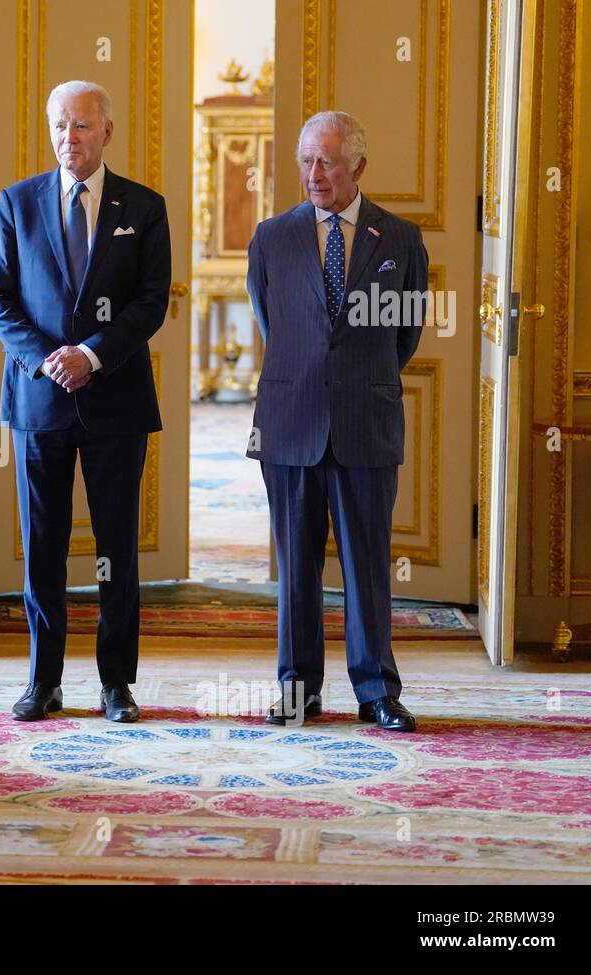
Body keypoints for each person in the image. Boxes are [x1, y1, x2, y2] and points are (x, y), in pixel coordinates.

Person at [0, 80, 170, 723]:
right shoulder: (18, 203)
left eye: (82, 127)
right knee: (43, 548)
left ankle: (117, 683)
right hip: (39, 402)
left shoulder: (143, 207)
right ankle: (44, 681)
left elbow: (150, 302)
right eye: (60, 126)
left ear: (107, 132)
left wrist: (89, 355)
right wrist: (46, 360)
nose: (69, 138)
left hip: (115, 400)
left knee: (115, 546)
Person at [245, 110, 427, 732]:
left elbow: (406, 335)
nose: (314, 174)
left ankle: (377, 690)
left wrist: (353, 379)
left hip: (365, 420)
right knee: (296, 567)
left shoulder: (400, 239)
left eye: (327, 161)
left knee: (367, 565)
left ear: (359, 167)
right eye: (305, 161)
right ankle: (297, 690)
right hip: (290, 422)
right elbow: (275, 326)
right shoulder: (272, 237)